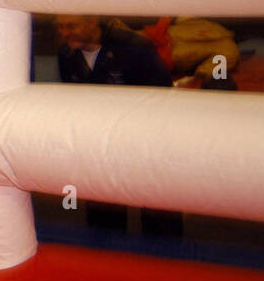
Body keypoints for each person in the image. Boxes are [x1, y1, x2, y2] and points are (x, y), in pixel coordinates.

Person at [54, 14, 182, 237]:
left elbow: (163, 97)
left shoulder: (134, 47)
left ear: (92, 21)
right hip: (98, 143)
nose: (65, 33)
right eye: (61, 27)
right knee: (103, 214)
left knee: (157, 213)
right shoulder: (66, 53)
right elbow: (72, 101)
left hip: (145, 140)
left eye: (71, 26)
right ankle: (106, 254)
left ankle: (166, 260)